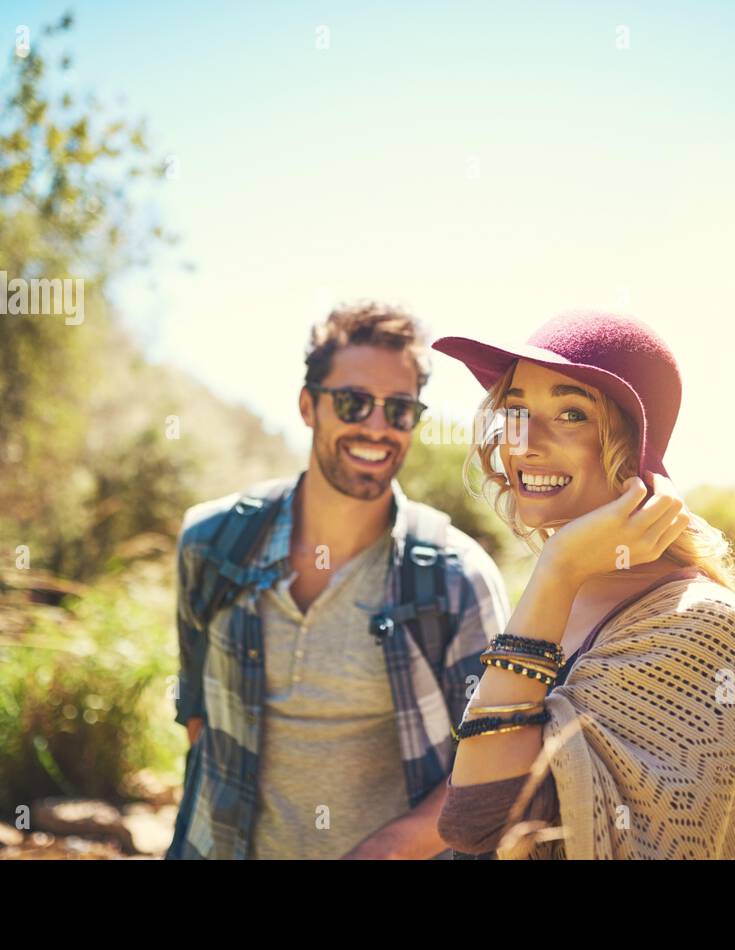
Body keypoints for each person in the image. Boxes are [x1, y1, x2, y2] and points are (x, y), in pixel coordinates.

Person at [166, 301, 510, 860]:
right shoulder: (211, 543)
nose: (376, 427)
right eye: (353, 402)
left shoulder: (457, 579)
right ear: (308, 406)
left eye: (399, 410)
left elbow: (490, 773)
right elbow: (198, 712)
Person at [431, 310, 735, 859]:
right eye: (515, 412)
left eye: (570, 414)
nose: (525, 445)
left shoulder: (695, 620)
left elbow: (480, 822)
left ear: (635, 446)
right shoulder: (569, 592)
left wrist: (556, 568)